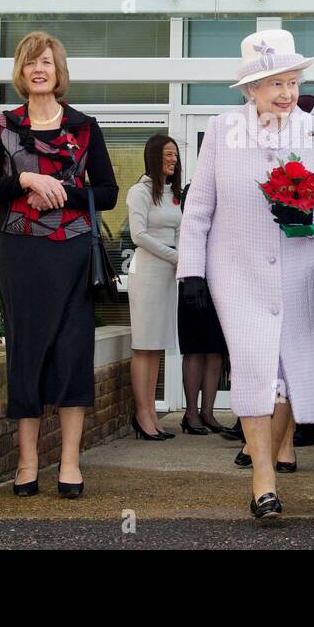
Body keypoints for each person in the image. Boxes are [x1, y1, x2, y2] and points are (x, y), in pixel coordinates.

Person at [176, 29, 314, 519]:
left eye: (291, 81)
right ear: (250, 89)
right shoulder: (220, 130)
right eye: (273, 82)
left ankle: (270, 464)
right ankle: (264, 480)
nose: (285, 92)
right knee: (256, 365)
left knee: (289, 372)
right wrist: (191, 273)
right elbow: (199, 208)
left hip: (298, 272)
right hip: (235, 271)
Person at [0, 31, 118, 499]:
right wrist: (25, 178)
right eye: (32, 62)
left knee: (73, 353)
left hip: (73, 256)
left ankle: (70, 463)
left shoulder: (84, 126)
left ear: (59, 73)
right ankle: (28, 462)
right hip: (21, 256)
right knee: (26, 353)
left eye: (48, 63)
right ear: (21, 71)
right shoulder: (3, 127)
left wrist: (62, 191)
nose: (40, 69)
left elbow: (109, 193)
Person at [125, 134, 183, 440]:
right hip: (147, 274)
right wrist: (176, 256)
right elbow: (139, 235)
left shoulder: (171, 194)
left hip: (168, 277)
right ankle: (142, 414)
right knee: (144, 346)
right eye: (168, 154)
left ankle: (151, 414)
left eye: (175, 155)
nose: (174, 159)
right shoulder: (140, 191)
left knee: (157, 346)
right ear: (153, 156)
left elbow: (180, 230)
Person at [177, 177, 228, 436]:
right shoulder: (193, 192)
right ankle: (190, 413)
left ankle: (208, 412)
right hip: (193, 284)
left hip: (219, 286)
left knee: (215, 351)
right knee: (195, 350)